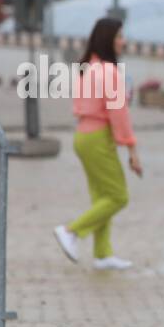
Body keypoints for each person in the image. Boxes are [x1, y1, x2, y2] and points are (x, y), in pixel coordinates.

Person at [54, 17, 142, 270]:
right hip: (97, 137)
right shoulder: (109, 72)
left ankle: (103, 253)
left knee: (102, 196)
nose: (123, 42)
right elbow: (119, 114)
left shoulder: (89, 67)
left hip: (83, 136)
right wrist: (131, 149)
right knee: (118, 196)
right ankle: (71, 231)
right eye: (118, 37)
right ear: (107, 40)